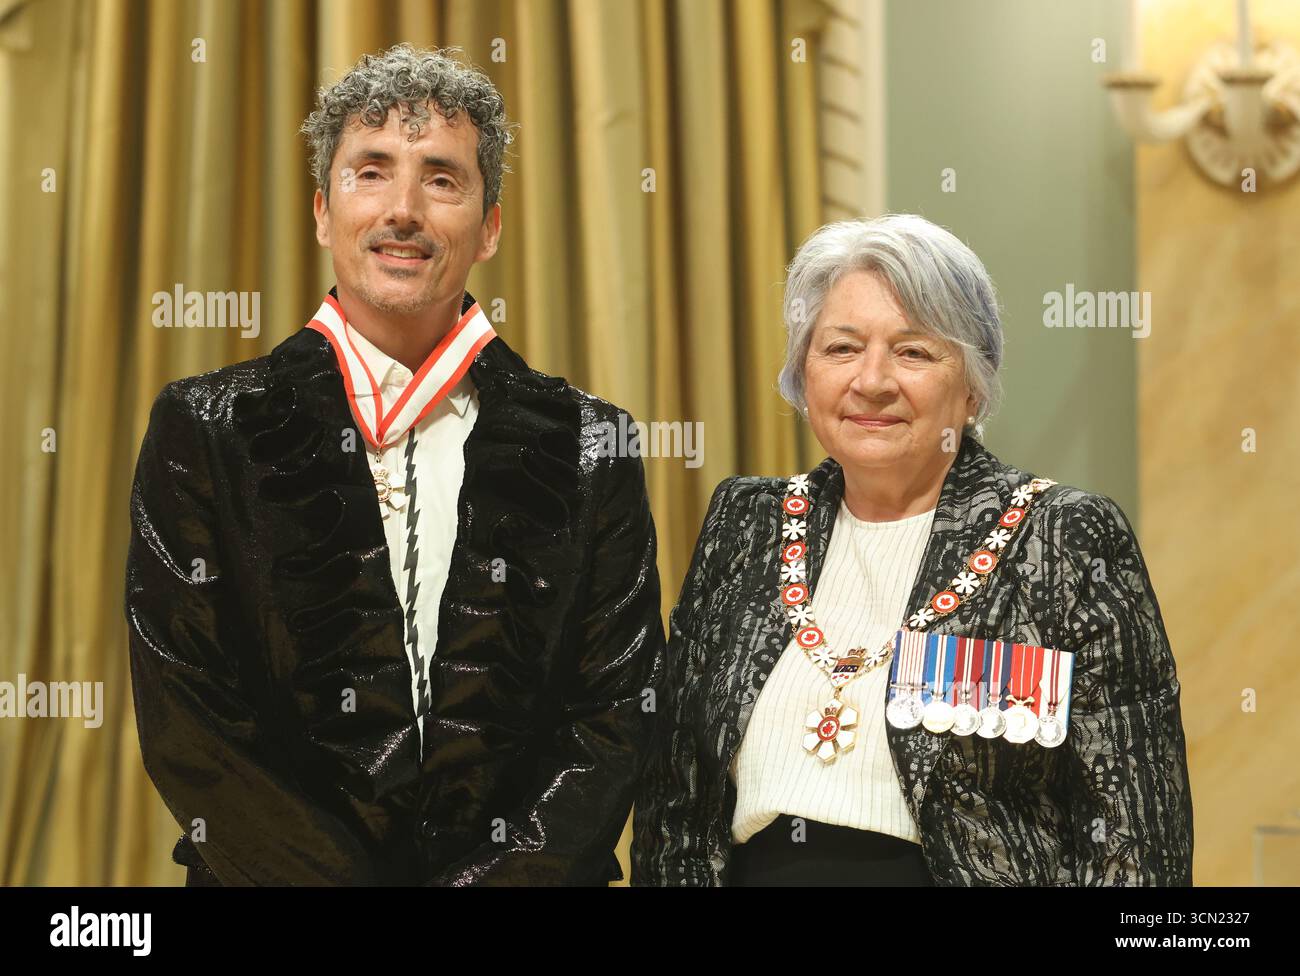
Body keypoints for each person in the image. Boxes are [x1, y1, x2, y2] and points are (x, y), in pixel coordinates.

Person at [125, 43, 664, 886]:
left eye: (442, 179)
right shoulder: (205, 428)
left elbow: (613, 720)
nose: (403, 209)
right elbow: (190, 719)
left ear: (489, 227)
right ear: (321, 211)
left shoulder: (594, 443)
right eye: (370, 172)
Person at [631, 213, 1193, 886]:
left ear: (972, 384)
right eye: (841, 349)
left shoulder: (1062, 538)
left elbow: (1138, 840)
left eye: (914, 352)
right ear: (802, 374)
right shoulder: (745, 522)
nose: (872, 381)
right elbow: (675, 809)